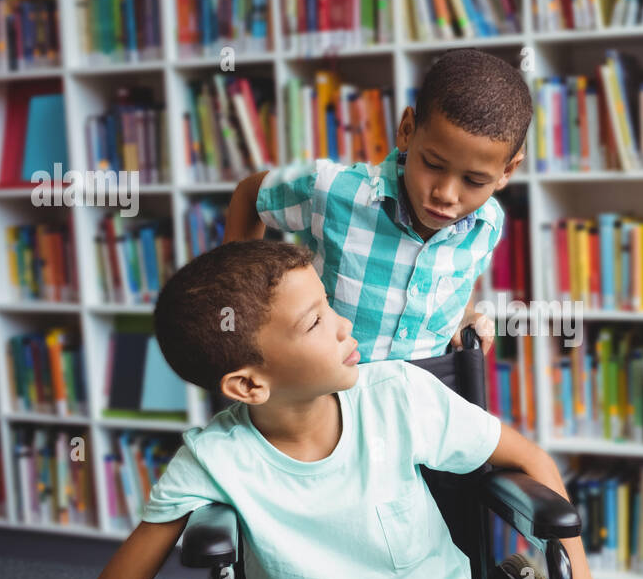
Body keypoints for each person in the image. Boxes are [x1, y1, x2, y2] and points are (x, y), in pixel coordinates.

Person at [65, 239, 613, 579]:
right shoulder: (215, 460)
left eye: (328, 305)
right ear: (249, 385)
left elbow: (531, 461)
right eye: (316, 321)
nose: (344, 325)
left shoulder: (397, 395)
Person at [223, 47, 532, 362]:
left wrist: (465, 314)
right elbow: (251, 194)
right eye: (433, 164)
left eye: (474, 181)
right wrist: (238, 295)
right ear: (407, 130)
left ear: (507, 171)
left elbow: (452, 284)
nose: (446, 194)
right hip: (328, 397)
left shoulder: (487, 223)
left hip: (419, 399)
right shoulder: (332, 190)